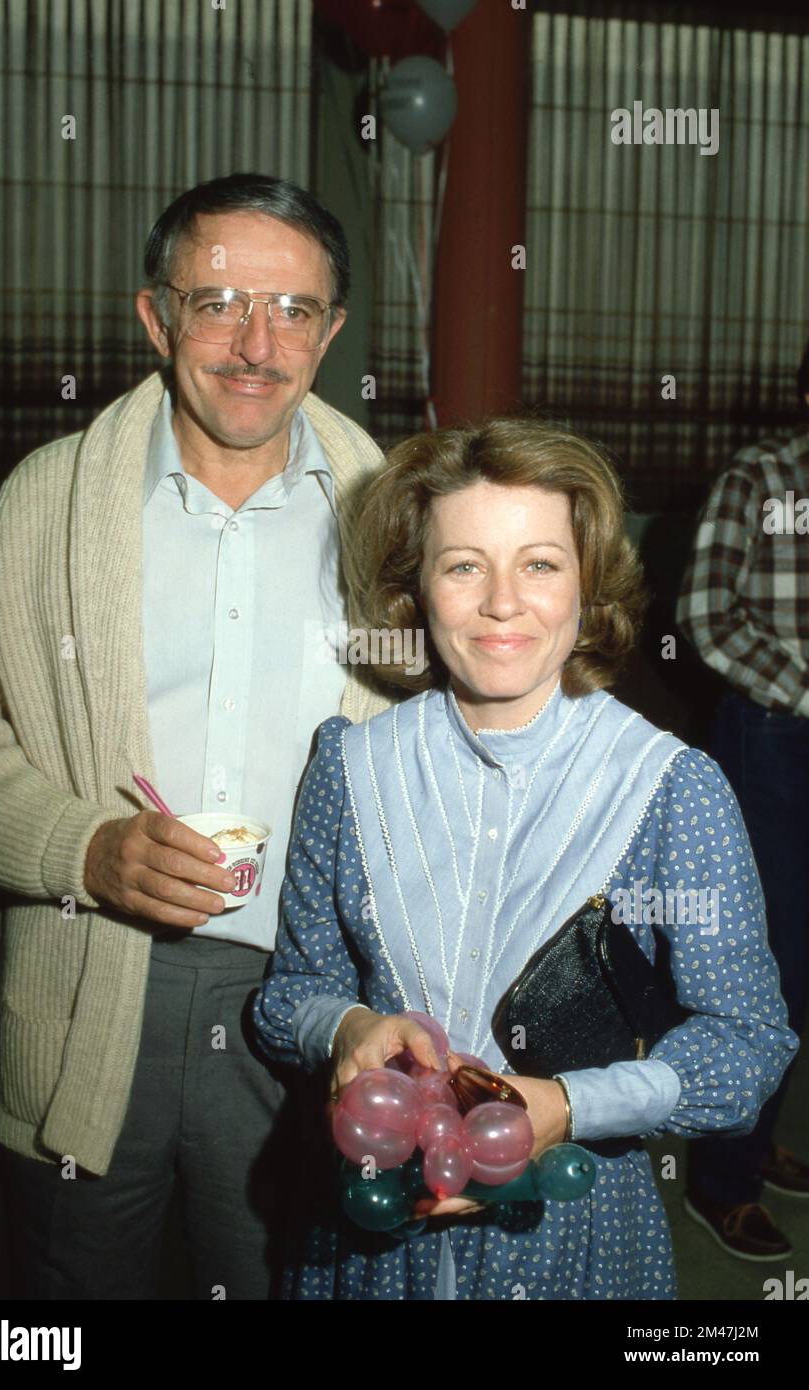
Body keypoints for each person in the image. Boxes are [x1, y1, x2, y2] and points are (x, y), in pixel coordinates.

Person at [0, 173, 394, 1300]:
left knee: (285, 1279)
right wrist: (85, 850)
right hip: (93, 986)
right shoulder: (47, 502)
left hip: (315, 1000)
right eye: (218, 301)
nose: (254, 344)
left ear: (330, 332)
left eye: (292, 311)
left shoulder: (397, 519)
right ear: (155, 316)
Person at [252, 416, 799, 1300]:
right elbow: (289, 996)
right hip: (367, 1232)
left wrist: (573, 1106)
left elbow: (746, 1046)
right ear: (415, 590)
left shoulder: (669, 790)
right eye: (463, 564)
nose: (502, 602)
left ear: (588, 585)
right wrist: (348, 1030)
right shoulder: (347, 770)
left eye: (539, 564)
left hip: (568, 1238)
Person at [676, 340, 809, 1261]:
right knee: (767, 966)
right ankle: (720, 1180)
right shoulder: (761, 475)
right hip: (774, 738)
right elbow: (704, 613)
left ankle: (756, 1142)